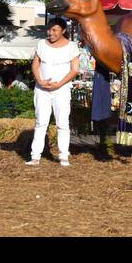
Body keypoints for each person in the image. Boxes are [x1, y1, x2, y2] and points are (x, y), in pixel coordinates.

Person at [27, 18, 80, 167]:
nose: (50, 33)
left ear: (63, 31)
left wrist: (59, 84)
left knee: (62, 122)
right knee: (40, 122)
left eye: (54, 30)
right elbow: (35, 65)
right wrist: (39, 80)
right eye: (49, 29)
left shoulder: (72, 46)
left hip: (61, 89)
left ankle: (63, 156)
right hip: (42, 89)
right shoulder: (41, 44)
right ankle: (35, 156)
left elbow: (74, 69)